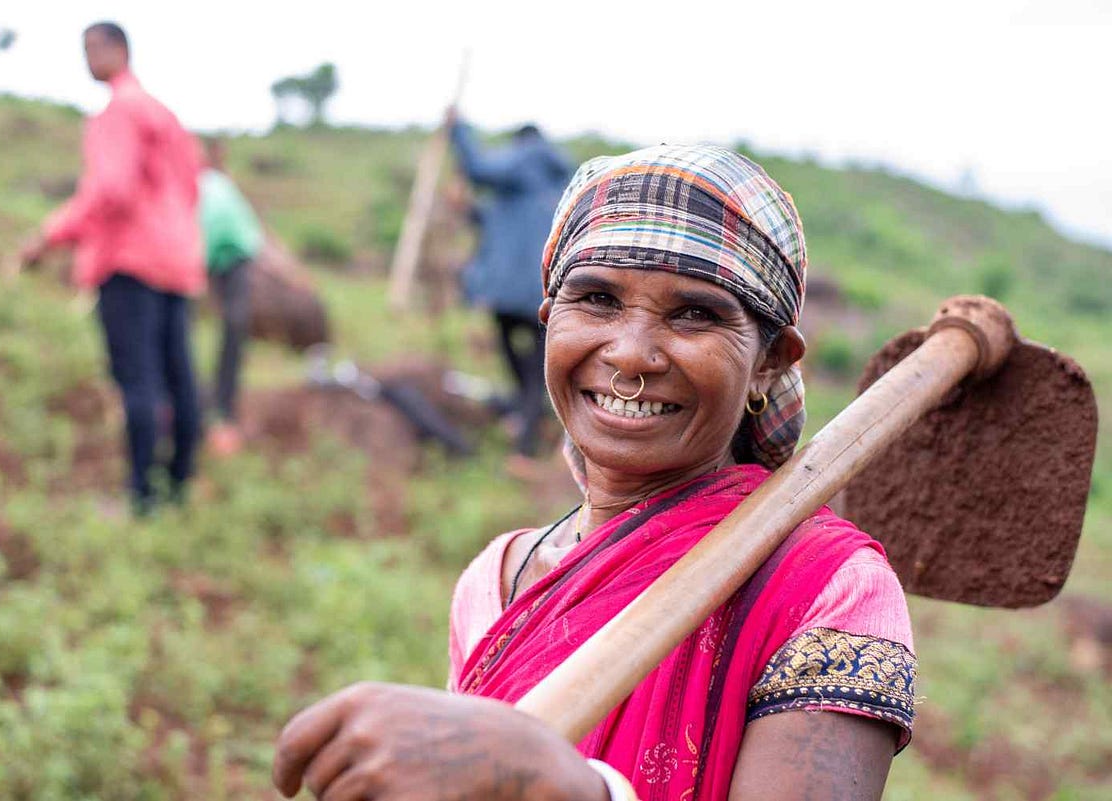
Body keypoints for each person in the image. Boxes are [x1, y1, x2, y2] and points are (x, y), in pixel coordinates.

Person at [272, 145, 917, 801]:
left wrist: (568, 785)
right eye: (598, 299)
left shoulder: (828, 592)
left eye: (694, 312)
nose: (630, 355)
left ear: (771, 361)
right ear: (550, 320)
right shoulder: (498, 579)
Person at [20, 22, 204, 516]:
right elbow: (190, 188)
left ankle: (141, 498)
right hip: (176, 258)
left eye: (91, 48)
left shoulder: (117, 113)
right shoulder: (165, 116)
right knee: (178, 377)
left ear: (117, 50)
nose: (87, 58)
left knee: (139, 381)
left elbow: (112, 191)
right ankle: (177, 488)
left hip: (130, 260)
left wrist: (49, 235)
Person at [447, 109, 573, 473]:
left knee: (531, 367)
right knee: (527, 363)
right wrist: (469, 210)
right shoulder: (552, 183)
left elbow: (477, 169)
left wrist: (459, 131)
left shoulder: (527, 156)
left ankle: (525, 446)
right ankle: (525, 417)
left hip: (514, 290)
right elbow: (504, 220)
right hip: (539, 288)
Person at [199, 137, 263, 456]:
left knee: (235, 326)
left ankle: (225, 401)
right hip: (203, 260)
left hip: (234, 260)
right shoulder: (198, 184)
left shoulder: (223, 185)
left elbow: (245, 229)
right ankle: (202, 400)